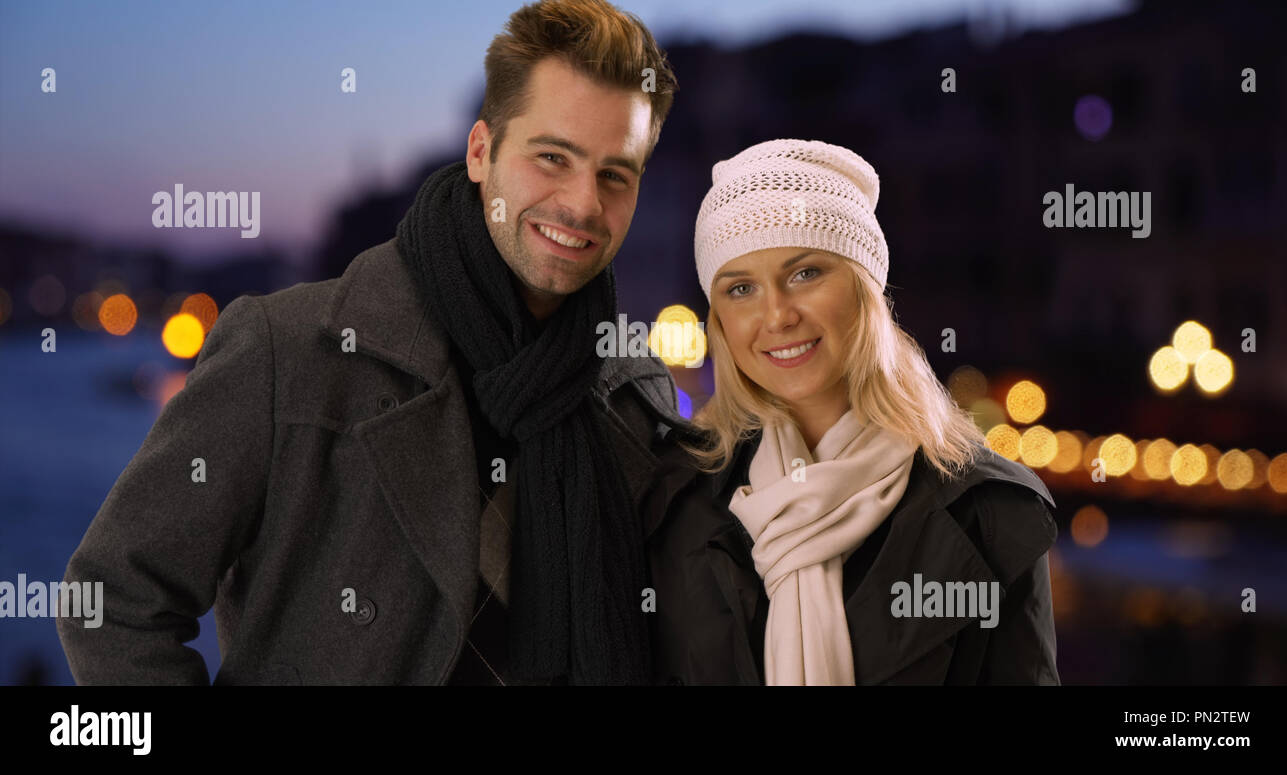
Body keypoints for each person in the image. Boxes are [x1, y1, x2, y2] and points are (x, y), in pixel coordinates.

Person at [57, 0, 686, 685]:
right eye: (552, 157)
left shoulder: (638, 392)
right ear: (482, 153)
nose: (583, 203)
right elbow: (111, 601)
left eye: (614, 174)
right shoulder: (286, 350)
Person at [641, 139, 1061, 685]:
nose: (777, 315)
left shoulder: (988, 511)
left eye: (806, 273)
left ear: (865, 288)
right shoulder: (679, 497)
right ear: (718, 320)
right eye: (740, 288)